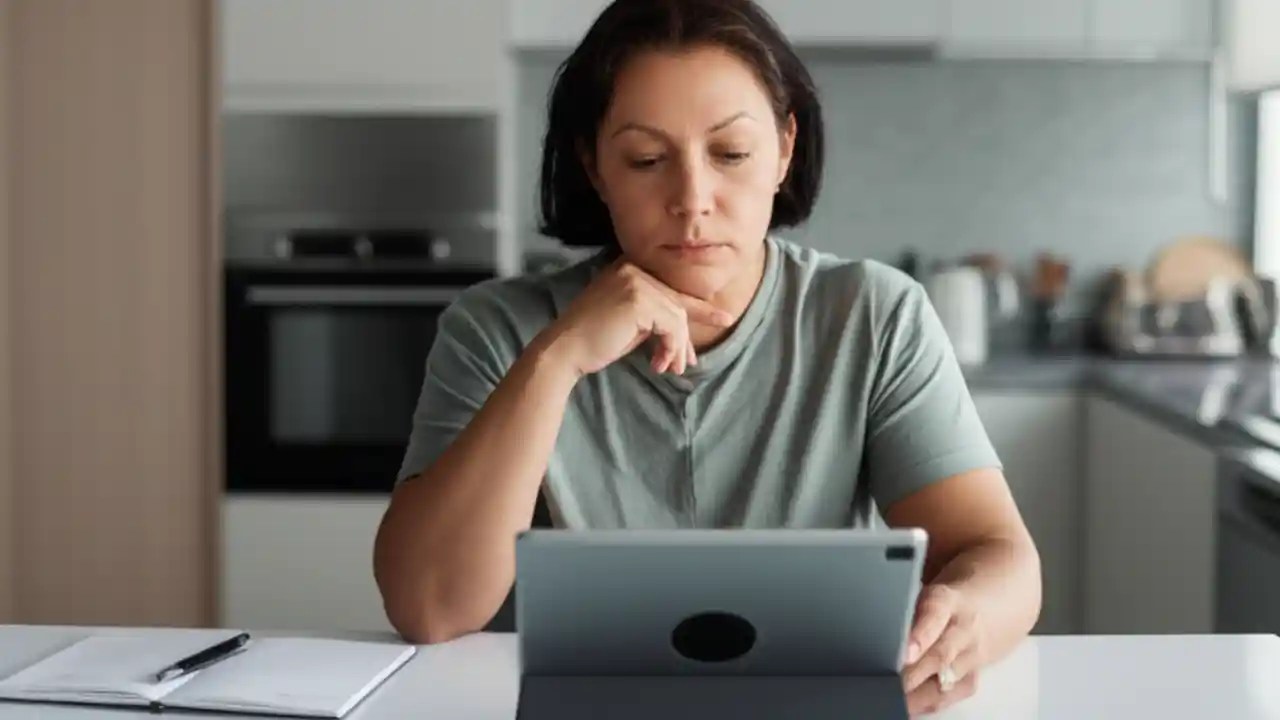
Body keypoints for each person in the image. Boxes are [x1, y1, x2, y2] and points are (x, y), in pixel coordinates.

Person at [374, 0, 1041, 714]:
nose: (692, 201)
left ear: (784, 149)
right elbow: (429, 607)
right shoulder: (496, 329)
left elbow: (999, 557)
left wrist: (963, 619)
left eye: (730, 154)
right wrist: (557, 358)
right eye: (646, 160)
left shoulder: (874, 316)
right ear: (595, 167)